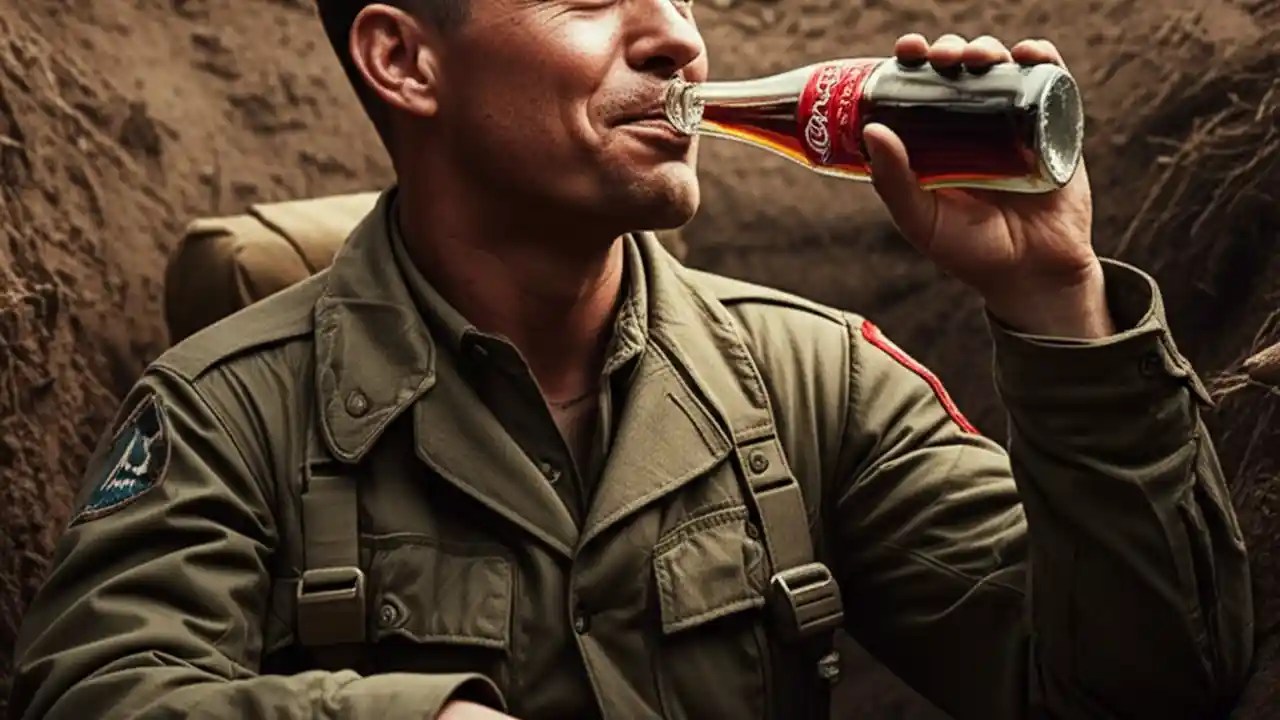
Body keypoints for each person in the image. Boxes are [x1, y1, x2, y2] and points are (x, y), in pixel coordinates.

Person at [7, 0, 1254, 717]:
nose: (674, 38)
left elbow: (1136, 699)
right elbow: (94, 689)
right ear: (403, 60)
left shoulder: (810, 379)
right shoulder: (234, 407)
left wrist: (1054, 302)